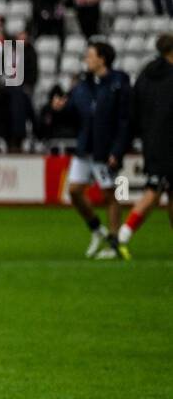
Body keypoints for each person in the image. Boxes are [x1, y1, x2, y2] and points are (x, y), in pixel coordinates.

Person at [64, 41, 131, 260]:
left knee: (110, 194)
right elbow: (73, 111)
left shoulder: (118, 83)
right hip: (86, 146)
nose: (86, 59)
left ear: (102, 59)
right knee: (74, 190)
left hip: (105, 148)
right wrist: (58, 109)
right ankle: (96, 229)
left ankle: (114, 242)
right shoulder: (84, 84)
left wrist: (118, 150)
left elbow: (124, 120)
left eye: (90, 55)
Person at [117, 34, 173, 255]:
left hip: (151, 141)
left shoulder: (145, 75)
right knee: (154, 190)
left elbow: (134, 111)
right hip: (168, 144)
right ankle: (122, 236)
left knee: (167, 191)